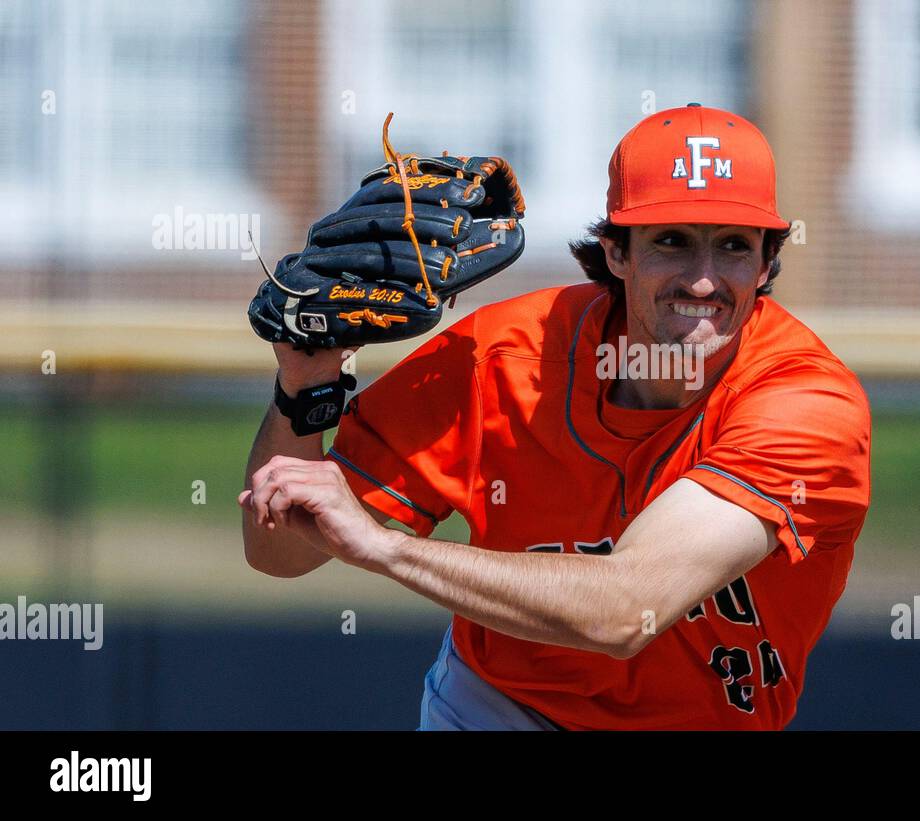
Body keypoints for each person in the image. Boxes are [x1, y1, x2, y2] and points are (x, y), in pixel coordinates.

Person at [240, 103, 871, 730]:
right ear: (616, 253)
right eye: (671, 241)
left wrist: (385, 549)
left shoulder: (807, 405)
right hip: (501, 708)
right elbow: (278, 554)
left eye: (733, 246)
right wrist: (305, 388)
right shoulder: (504, 356)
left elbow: (626, 610)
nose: (702, 281)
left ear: (766, 265)